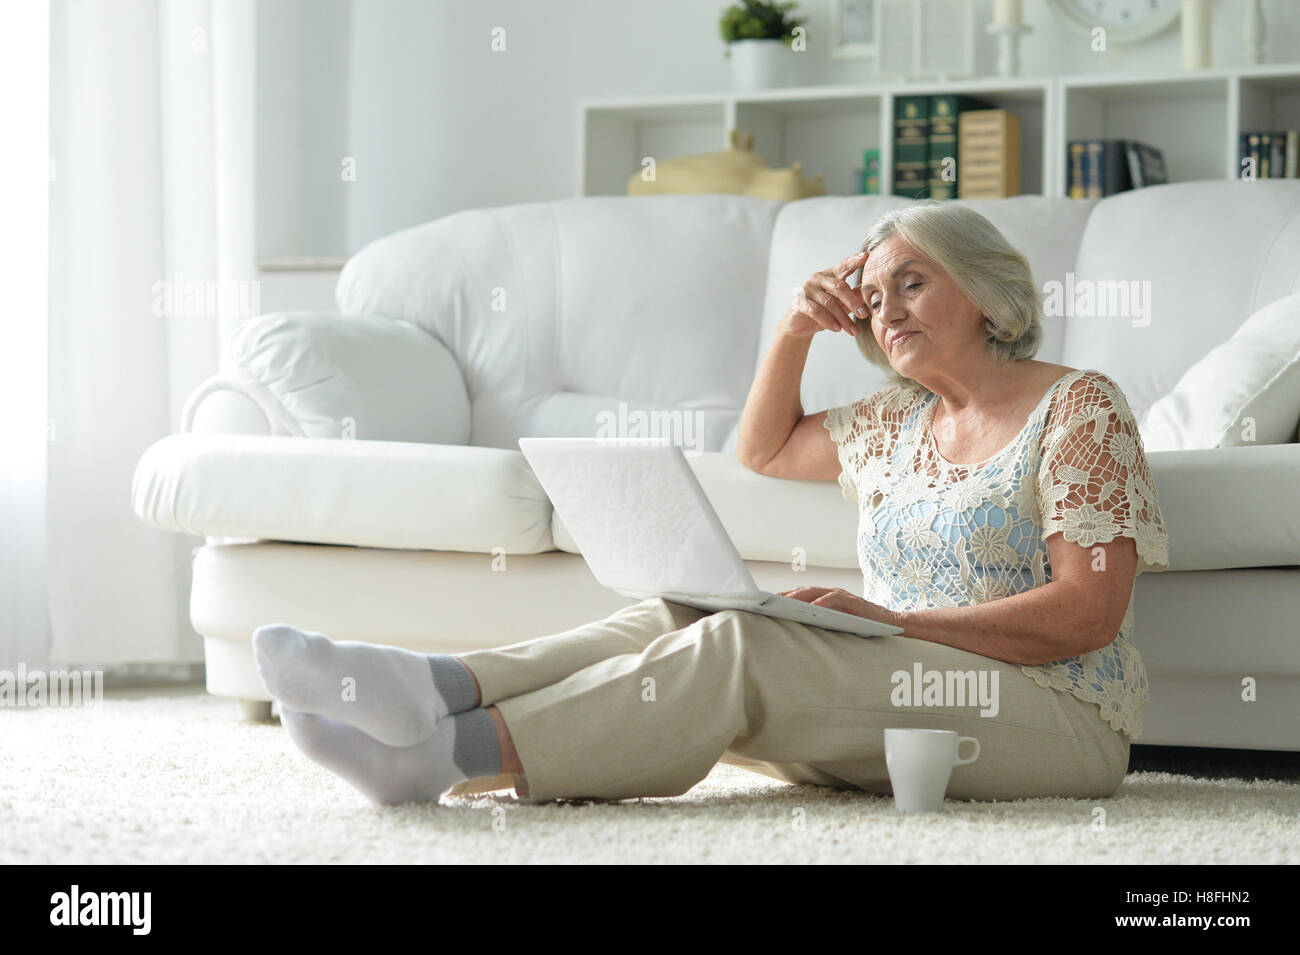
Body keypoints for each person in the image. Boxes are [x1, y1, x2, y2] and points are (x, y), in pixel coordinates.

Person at [252, 200, 1169, 807]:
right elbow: (763, 446)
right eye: (873, 296)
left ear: (986, 291)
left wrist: (895, 624)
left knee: (739, 646)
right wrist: (795, 328)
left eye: (914, 282)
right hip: (898, 688)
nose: (885, 309)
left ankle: (445, 758)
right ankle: (435, 688)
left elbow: (1088, 611)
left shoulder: (1077, 406)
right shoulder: (895, 418)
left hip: (1056, 718)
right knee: (686, 611)